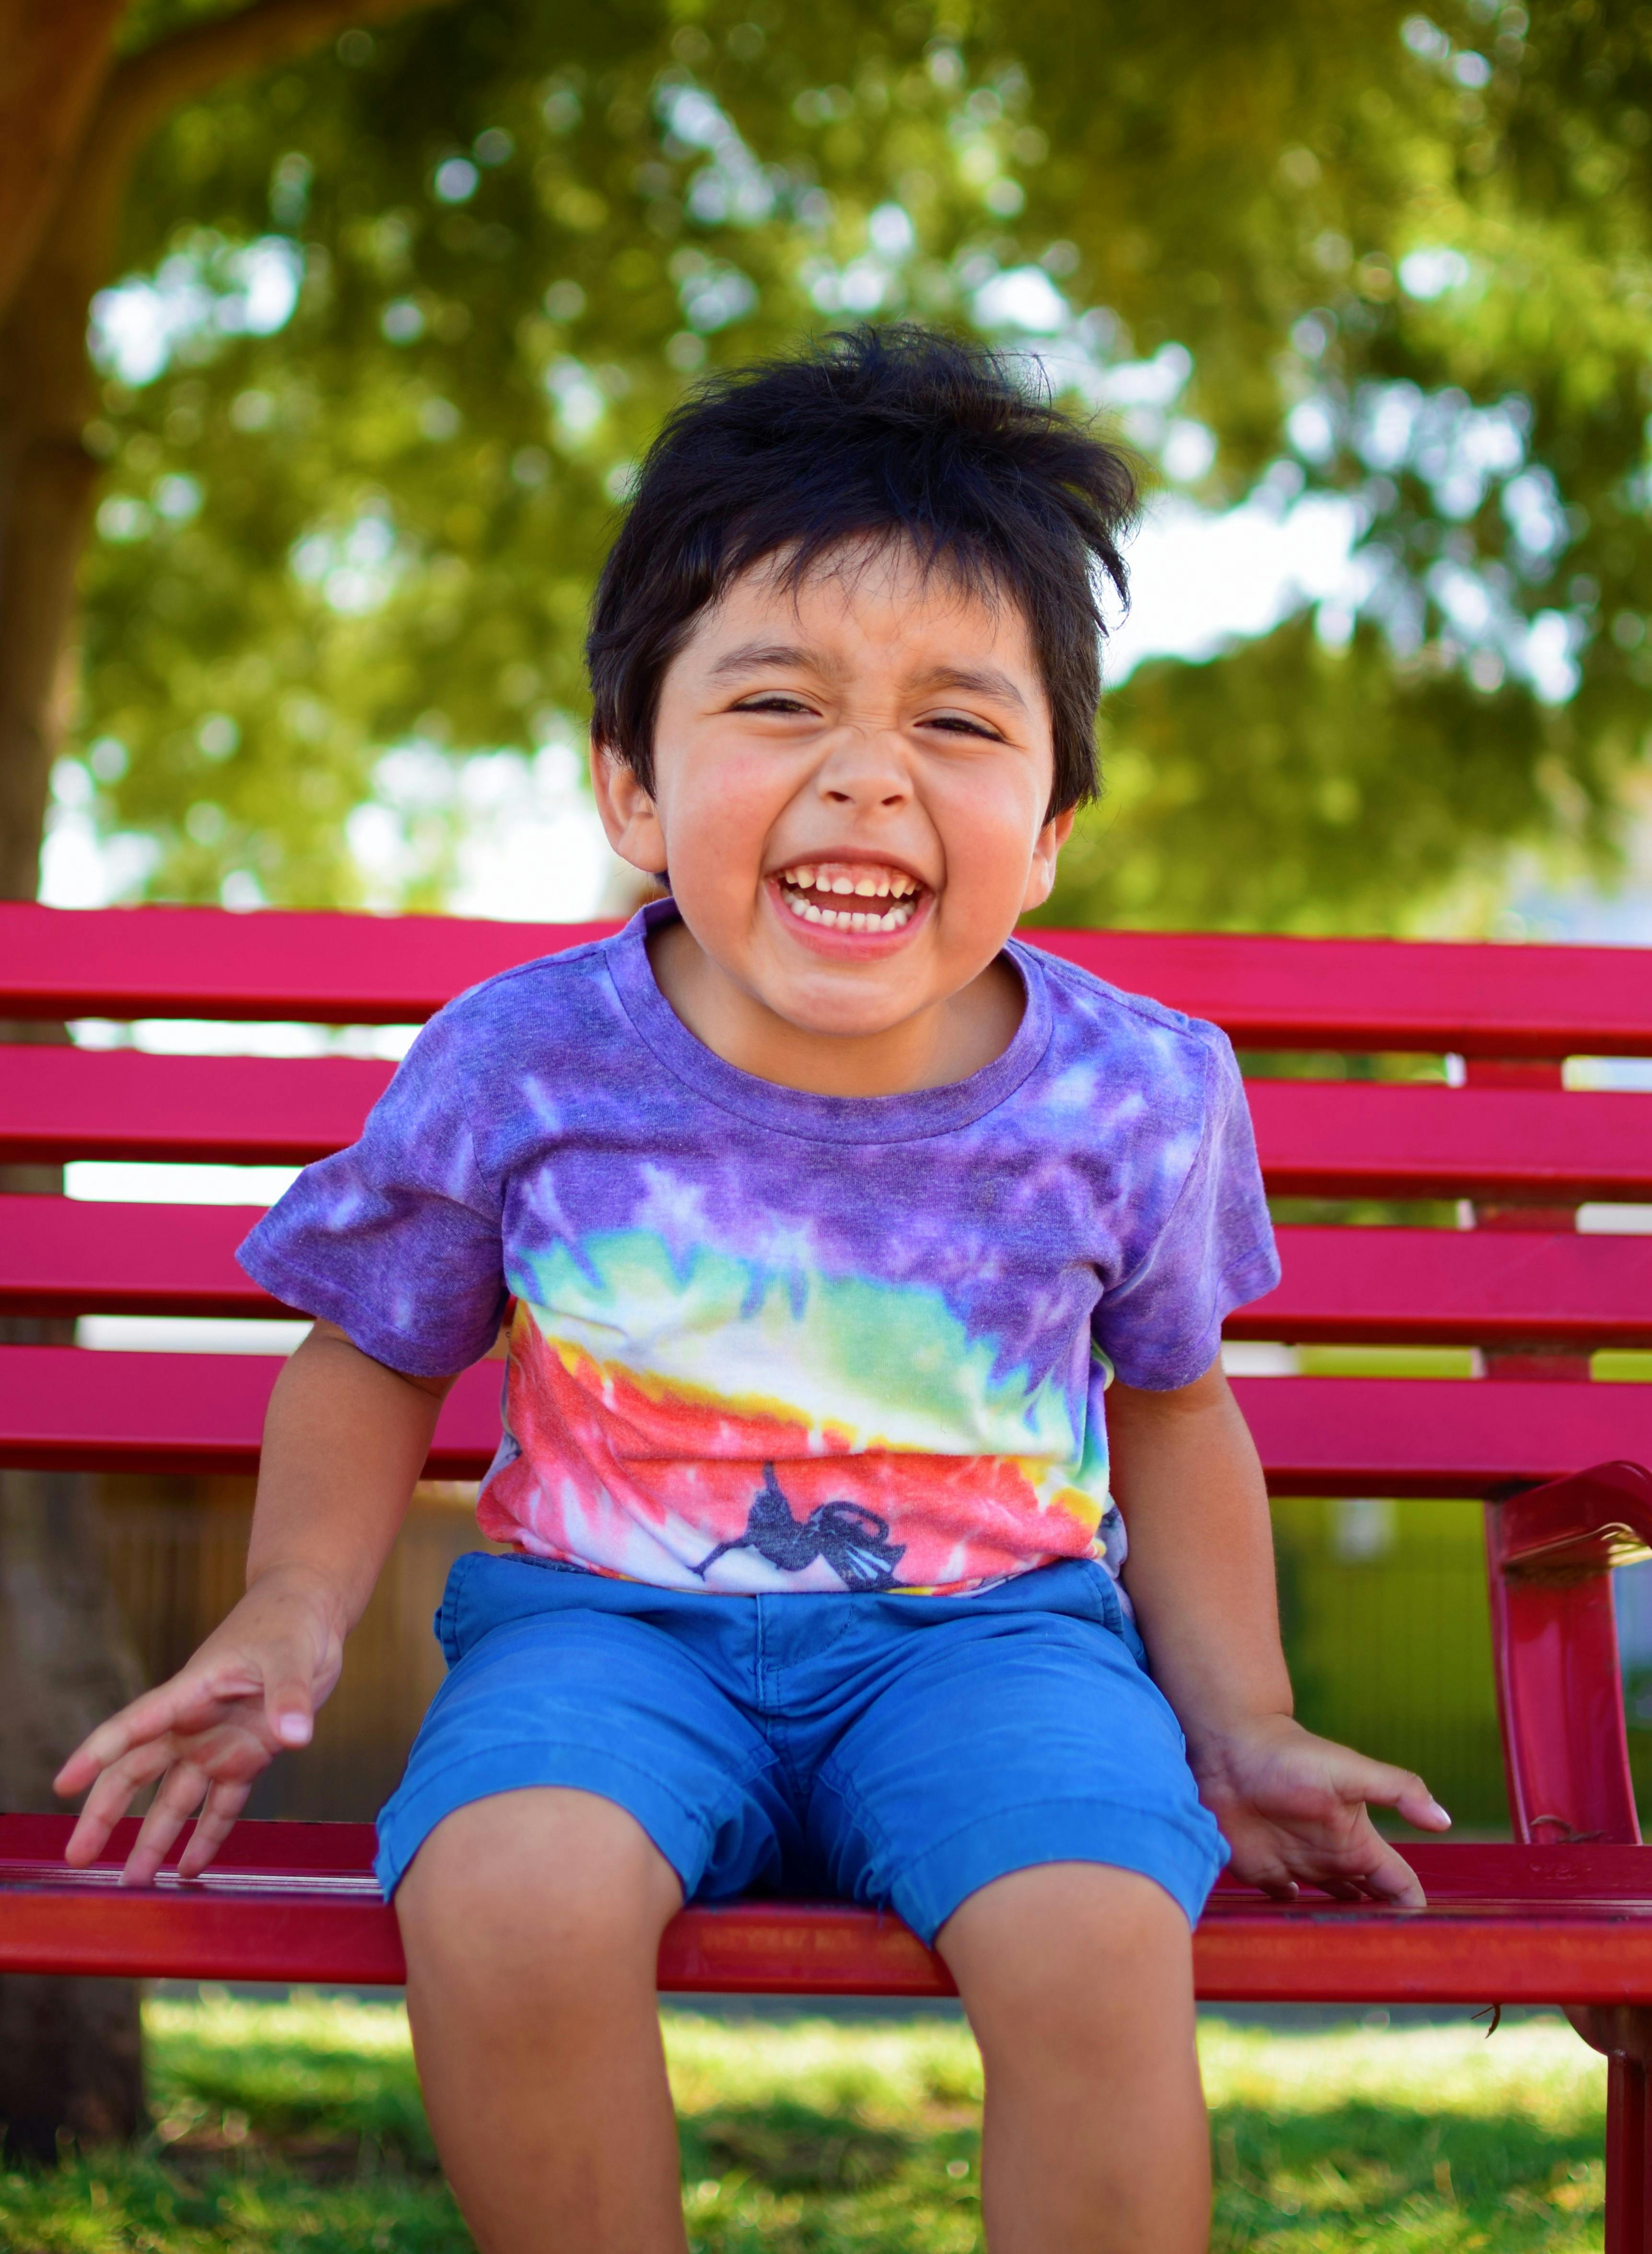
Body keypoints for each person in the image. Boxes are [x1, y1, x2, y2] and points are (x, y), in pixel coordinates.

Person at [56, 325, 1450, 2254]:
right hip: (601, 1639)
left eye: (959, 726)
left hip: (998, 1645)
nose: (868, 777)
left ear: (1046, 830)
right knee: (508, 1892)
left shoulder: (1137, 1089)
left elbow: (1174, 1396)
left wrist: (1247, 1716)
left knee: (1098, 1926)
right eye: (779, 704)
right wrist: (290, 1613)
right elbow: (374, 1349)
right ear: (631, 782)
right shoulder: (526, 1058)